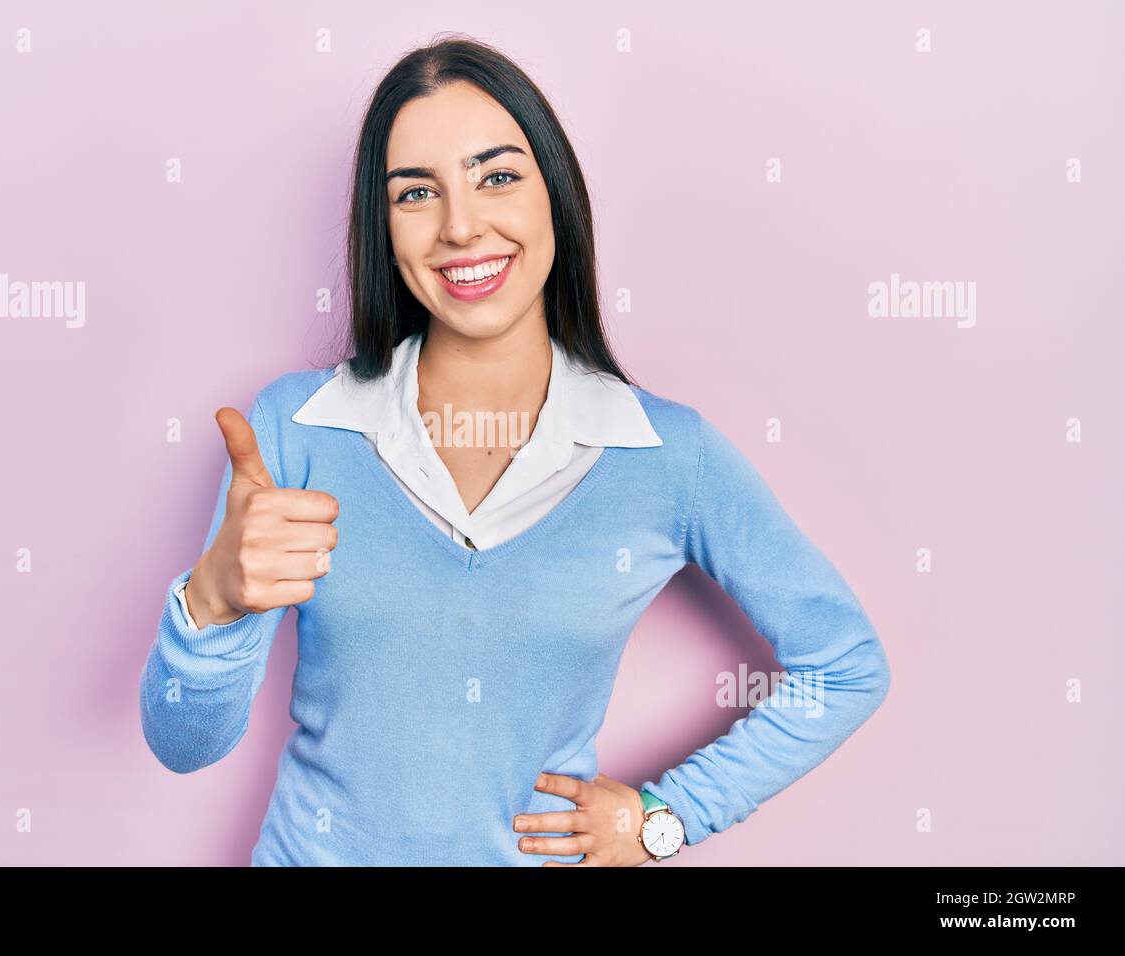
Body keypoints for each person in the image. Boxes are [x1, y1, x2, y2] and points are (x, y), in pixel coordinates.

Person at [138, 35, 891, 866]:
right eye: (416, 193)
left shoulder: (666, 455)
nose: (462, 227)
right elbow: (184, 745)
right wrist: (213, 602)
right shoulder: (296, 427)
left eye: (497, 176)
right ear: (384, 230)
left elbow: (846, 666)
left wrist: (664, 819)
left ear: (554, 197)